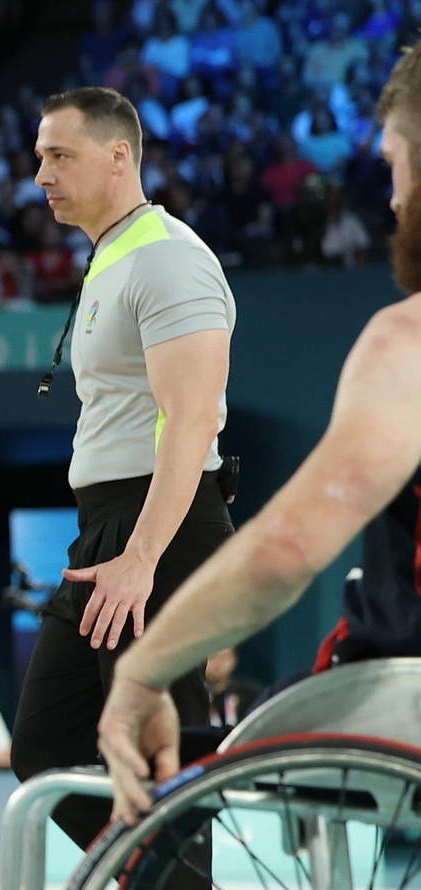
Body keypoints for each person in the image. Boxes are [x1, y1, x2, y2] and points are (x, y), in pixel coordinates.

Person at [101, 50, 421, 823]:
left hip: (401, 697)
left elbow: (287, 550)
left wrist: (143, 672)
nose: (392, 196)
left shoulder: (406, 344)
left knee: (175, 769)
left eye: (396, 166)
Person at [9, 87, 249, 890]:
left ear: (118, 158)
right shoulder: (110, 257)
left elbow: (188, 424)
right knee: (49, 749)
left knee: (136, 747)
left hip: (160, 523)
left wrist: (142, 557)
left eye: (57, 157)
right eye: (37, 157)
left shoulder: (170, 259)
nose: (41, 178)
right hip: (113, 523)